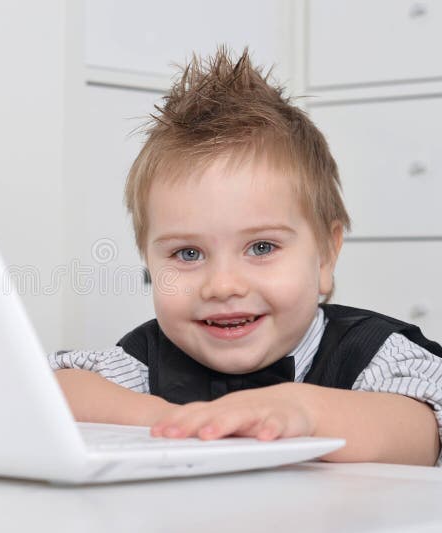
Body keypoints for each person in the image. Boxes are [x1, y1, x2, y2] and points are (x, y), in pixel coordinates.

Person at [50, 47, 442, 466]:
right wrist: (169, 420)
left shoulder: (372, 353)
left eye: (261, 248)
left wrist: (304, 410)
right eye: (188, 253)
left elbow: (418, 433)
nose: (223, 285)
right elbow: (54, 390)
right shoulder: (148, 358)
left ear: (325, 257)